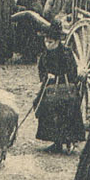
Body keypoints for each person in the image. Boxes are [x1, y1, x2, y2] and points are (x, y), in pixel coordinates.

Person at [34, 24, 83, 152]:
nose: (47, 45)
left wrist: (59, 76)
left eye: (50, 42)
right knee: (46, 109)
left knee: (66, 112)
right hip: (51, 89)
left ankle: (69, 141)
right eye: (46, 42)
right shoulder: (45, 54)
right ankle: (57, 142)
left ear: (57, 42)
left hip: (65, 89)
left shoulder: (66, 53)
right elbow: (41, 69)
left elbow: (73, 72)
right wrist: (45, 77)